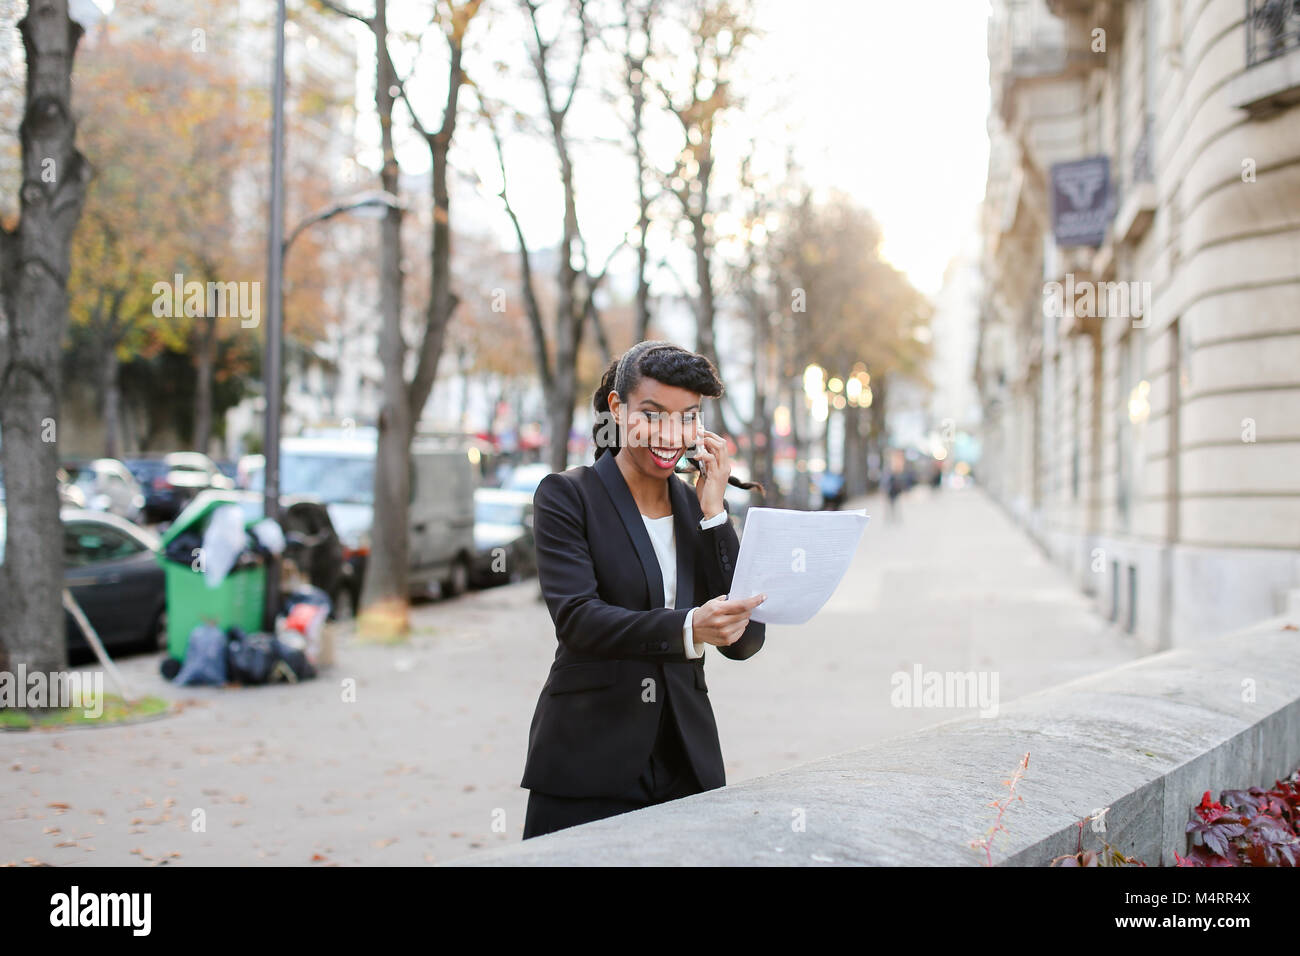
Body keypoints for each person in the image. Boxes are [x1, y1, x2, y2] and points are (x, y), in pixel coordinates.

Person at [520, 339, 768, 839]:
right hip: (589, 759)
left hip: (685, 758)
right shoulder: (568, 497)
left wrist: (715, 513)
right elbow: (578, 619)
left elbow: (745, 642)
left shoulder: (697, 506)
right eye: (652, 414)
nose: (670, 434)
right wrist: (687, 626)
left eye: (688, 417)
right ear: (618, 407)